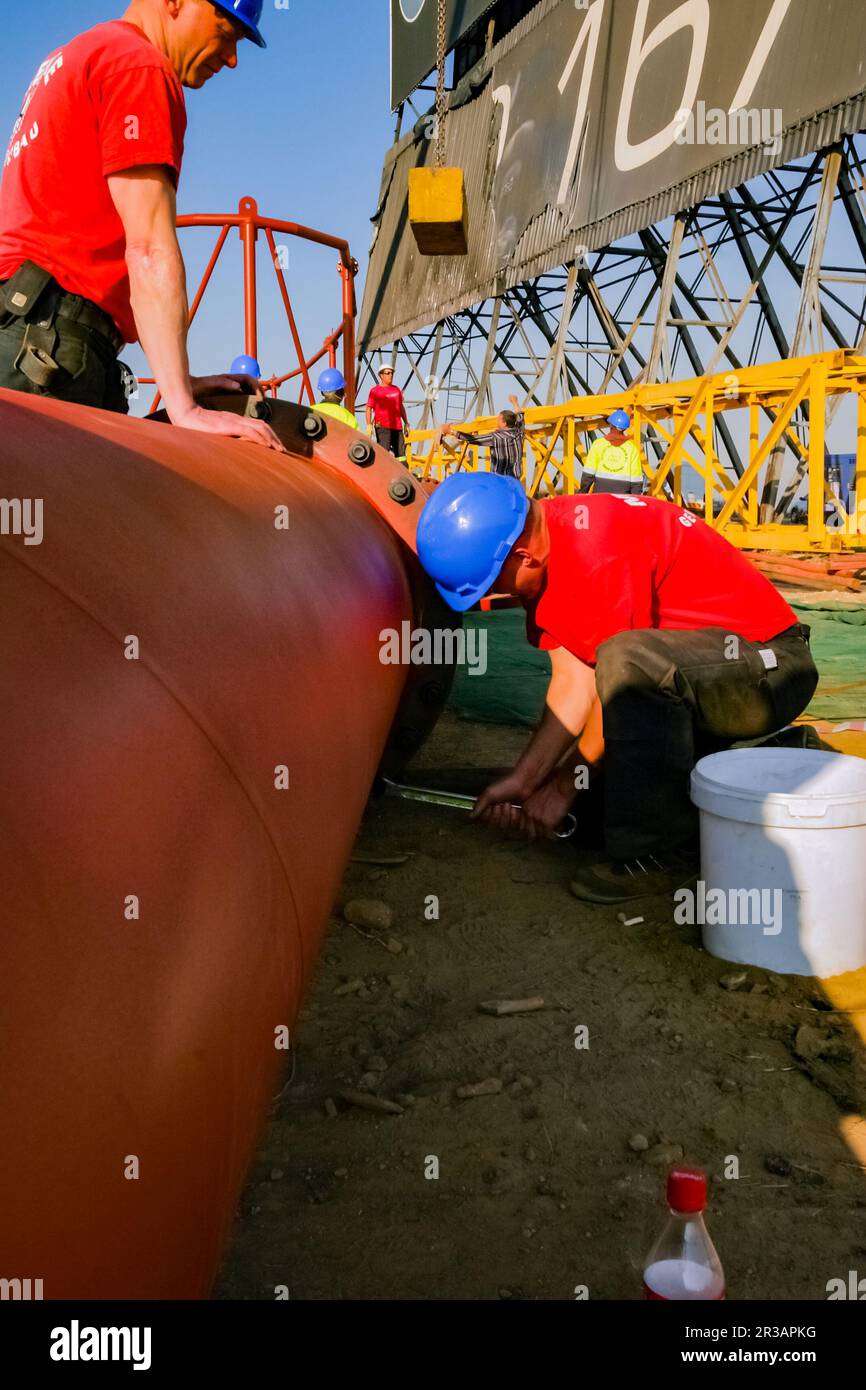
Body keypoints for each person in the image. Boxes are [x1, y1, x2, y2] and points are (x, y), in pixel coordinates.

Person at [416, 475, 819, 904]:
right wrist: (528, 778)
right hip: (700, 678)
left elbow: (622, 687)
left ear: (523, 556)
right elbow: (575, 682)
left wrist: (561, 786)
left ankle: (657, 856)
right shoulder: (548, 542)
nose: (499, 595)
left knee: (626, 663)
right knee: (593, 811)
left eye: (496, 584)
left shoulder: (599, 552)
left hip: (770, 672)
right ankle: (768, 760)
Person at [0, 0, 286, 453]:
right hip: (47, 351)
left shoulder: (73, 56)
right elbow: (149, 248)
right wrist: (182, 408)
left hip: (21, 335)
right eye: (226, 30)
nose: (232, 58)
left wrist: (182, 380)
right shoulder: (138, 65)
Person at [440, 394, 525, 480]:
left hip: (499, 481)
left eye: (499, 419)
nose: (497, 421)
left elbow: (473, 439)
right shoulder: (519, 432)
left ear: (504, 423)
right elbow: (520, 417)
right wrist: (515, 402)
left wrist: (451, 431)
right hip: (515, 481)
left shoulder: (496, 437)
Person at [580, 410, 643, 494]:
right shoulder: (632, 448)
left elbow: (588, 474)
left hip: (600, 495)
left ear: (611, 425)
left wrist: (582, 493)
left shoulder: (598, 444)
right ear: (625, 428)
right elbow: (636, 480)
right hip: (622, 497)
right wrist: (635, 501)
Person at [366, 364, 408, 461]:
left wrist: (406, 423)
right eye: (387, 373)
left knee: (401, 456)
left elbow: (401, 407)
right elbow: (368, 408)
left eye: (391, 373)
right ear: (381, 375)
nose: (390, 375)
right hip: (383, 428)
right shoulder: (375, 391)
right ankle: (382, 474)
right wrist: (368, 424)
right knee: (383, 454)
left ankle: (402, 473)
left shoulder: (396, 390)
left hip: (397, 428)